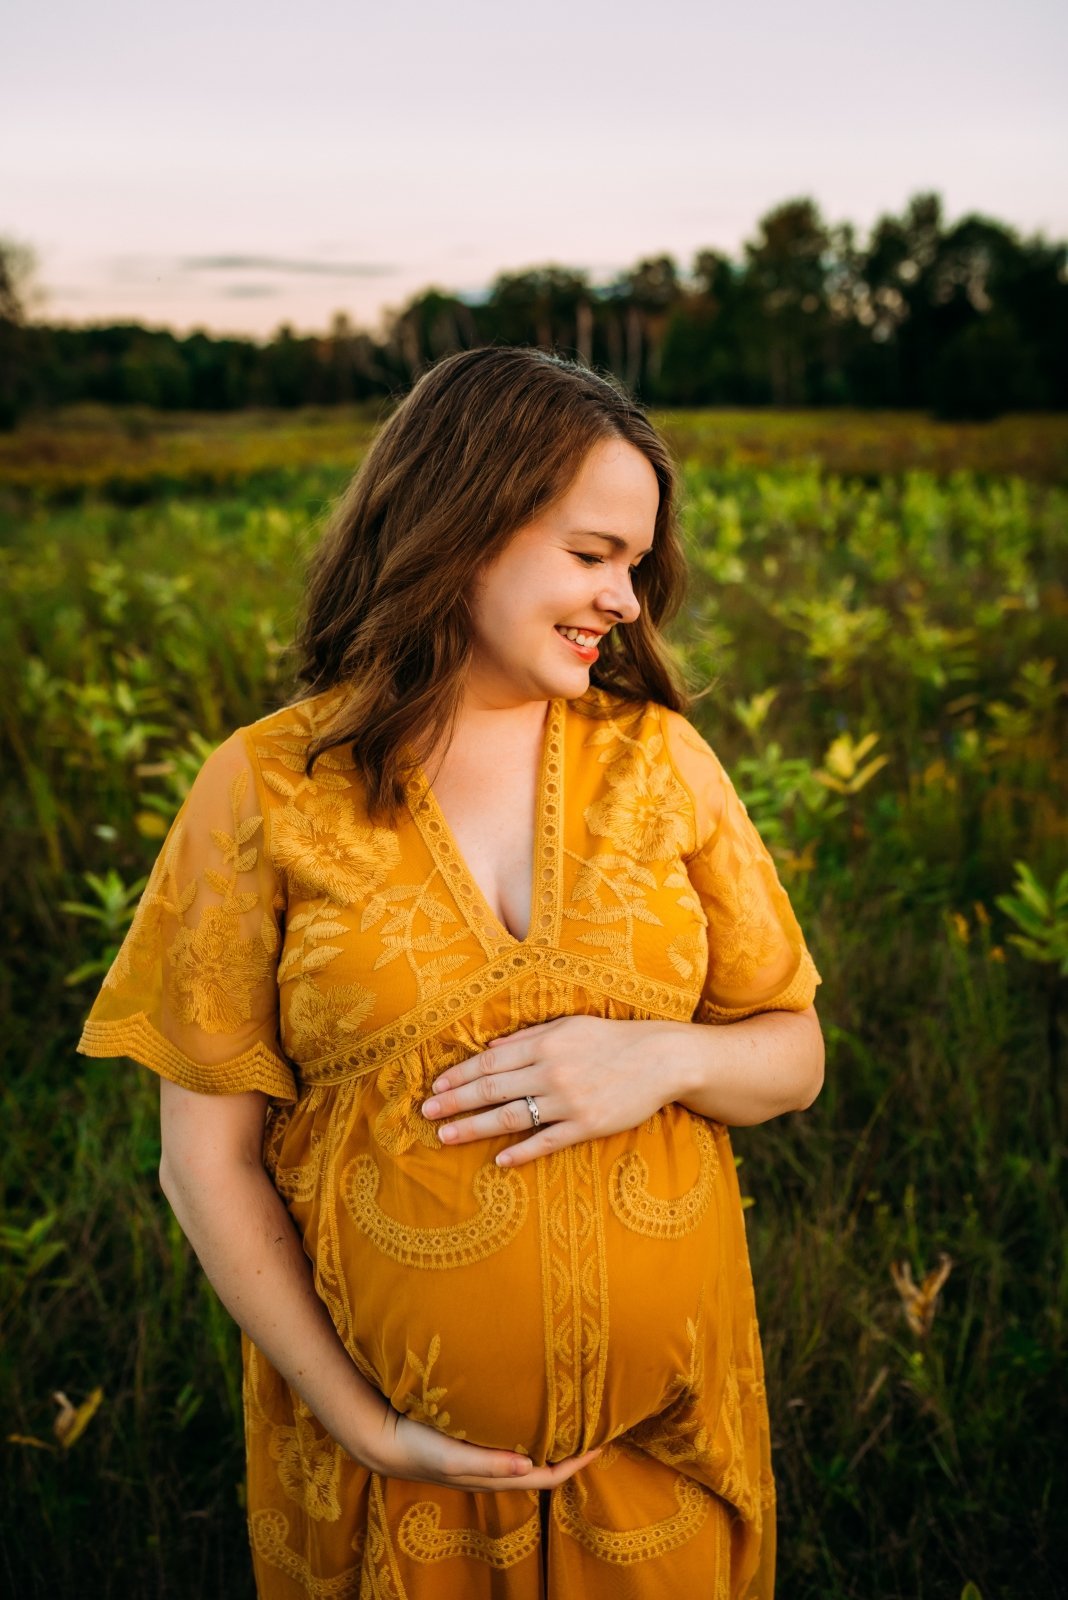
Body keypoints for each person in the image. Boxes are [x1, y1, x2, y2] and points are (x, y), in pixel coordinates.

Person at [76, 346, 824, 1598]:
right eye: (592, 557)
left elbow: (792, 1057)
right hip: (391, 1489)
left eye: (636, 565)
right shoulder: (265, 788)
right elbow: (202, 1158)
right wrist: (368, 1425)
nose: (626, 601)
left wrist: (662, 1059)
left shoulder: (664, 764)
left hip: (662, 1469)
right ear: (461, 523)